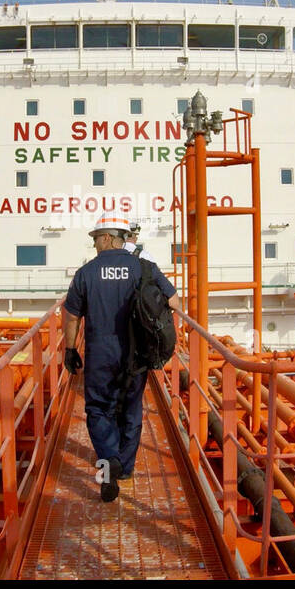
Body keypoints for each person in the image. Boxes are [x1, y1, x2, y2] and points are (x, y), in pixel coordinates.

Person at [63, 215, 178, 502]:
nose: (94, 243)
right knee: (130, 409)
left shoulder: (86, 272)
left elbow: (72, 314)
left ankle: (107, 460)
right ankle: (124, 468)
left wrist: (70, 349)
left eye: (95, 238)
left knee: (99, 410)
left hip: (100, 353)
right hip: (136, 352)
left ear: (108, 238)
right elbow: (175, 303)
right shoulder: (144, 268)